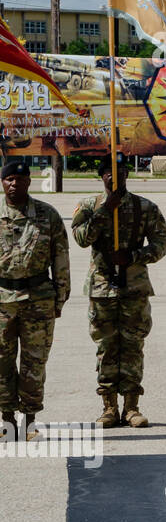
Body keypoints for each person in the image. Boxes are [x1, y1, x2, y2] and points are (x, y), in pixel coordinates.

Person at [71, 153, 166, 429]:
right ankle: (109, 407)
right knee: (106, 349)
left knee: (133, 347)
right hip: (102, 289)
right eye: (111, 172)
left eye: (122, 171)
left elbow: (161, 244)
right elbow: (80, 238)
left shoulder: (144, 207)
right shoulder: (89, 206)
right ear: (102, 176)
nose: (117, 176)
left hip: (134, 288)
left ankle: (132, 407)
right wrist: (105, 211)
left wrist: (135, 255)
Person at [0, 160, 70, 442]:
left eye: (20, 179)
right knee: (2, 362)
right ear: (3, 183)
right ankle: (6, 421)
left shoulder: (47, 215)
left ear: (29, 181)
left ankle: (29, 421)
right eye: (9, 180)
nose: (15, 184)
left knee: (34, 363)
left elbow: (61, 258)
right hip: (2, 299)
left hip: (38, 298)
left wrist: (60, 298)